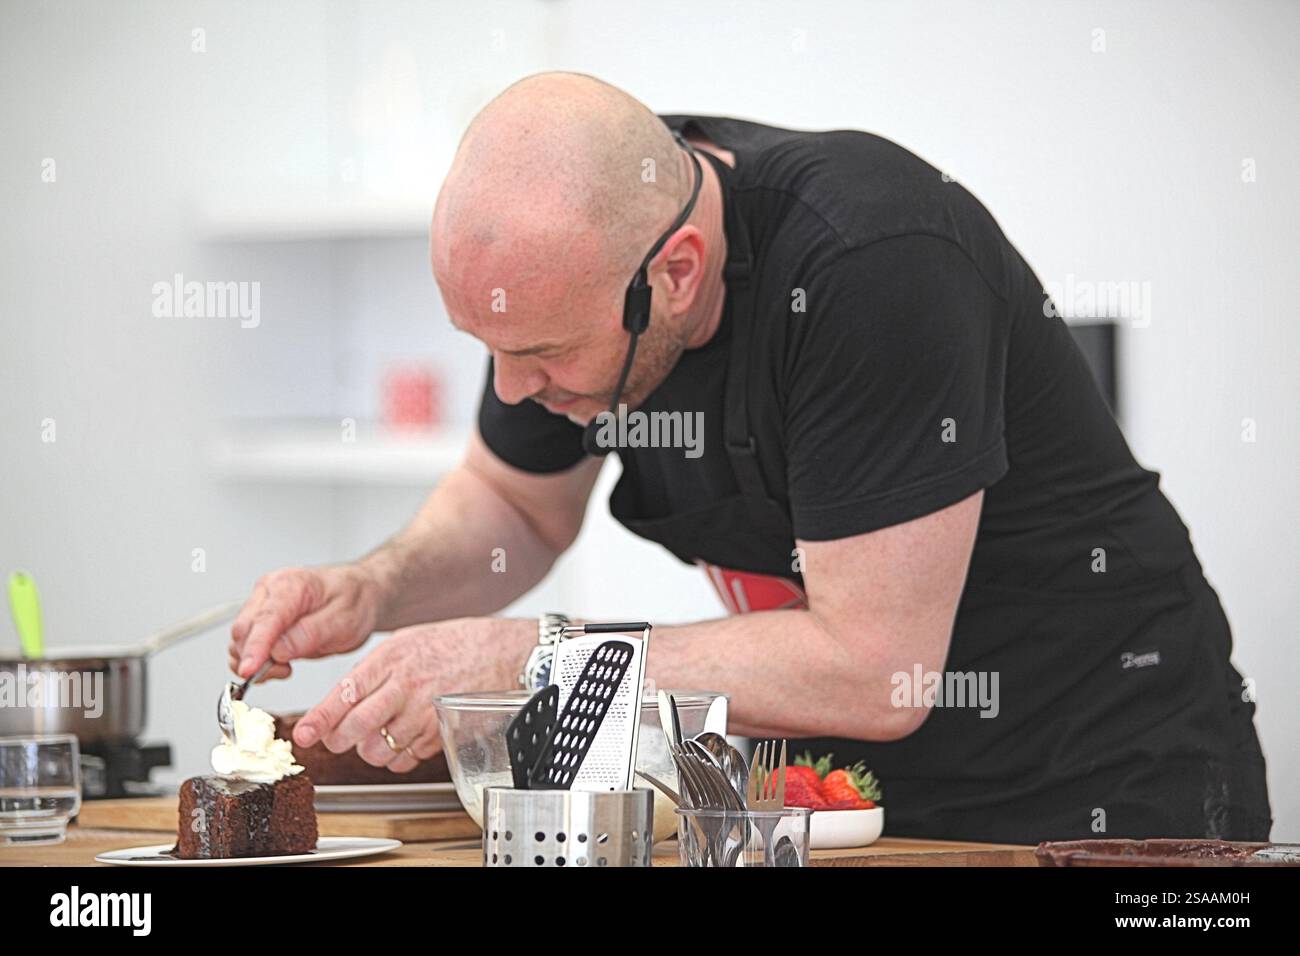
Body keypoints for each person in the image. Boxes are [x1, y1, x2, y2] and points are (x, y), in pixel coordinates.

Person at [228, 72, 1270, 843]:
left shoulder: (875, 262)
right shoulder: (584, 259)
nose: (507, 391)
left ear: (674, 272)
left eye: (538, 353)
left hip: (1104, 776)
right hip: (854, 799)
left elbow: (873, 670)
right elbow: (513, 503)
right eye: (486, 349)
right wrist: (374, 584)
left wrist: (524, 659)